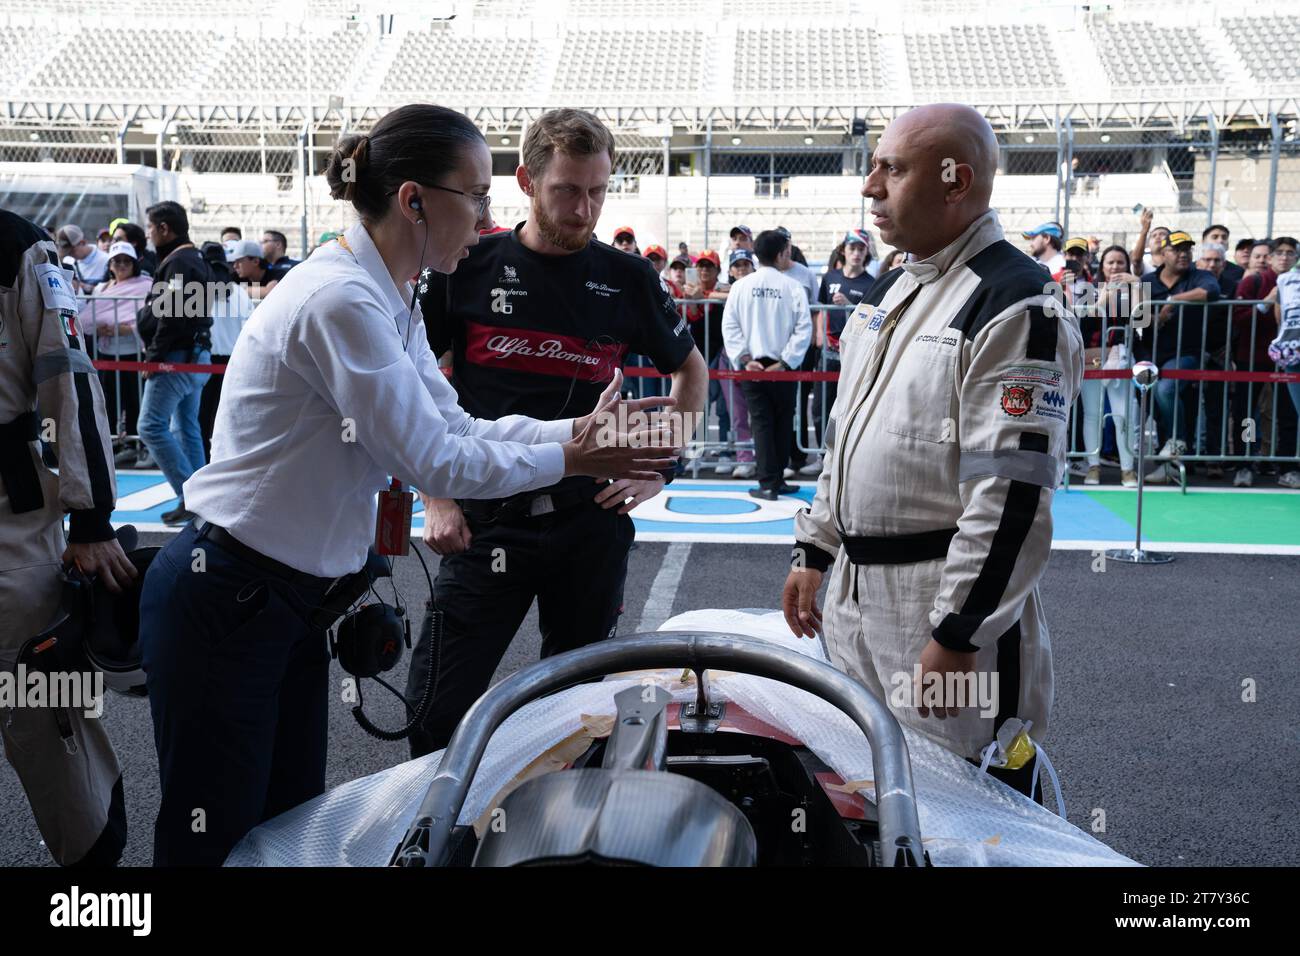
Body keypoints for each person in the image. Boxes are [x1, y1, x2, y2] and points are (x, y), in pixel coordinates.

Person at [137, 104, 679, 867]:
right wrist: (580, 457)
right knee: (215, 843)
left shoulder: (382, 295)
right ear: (413, 200)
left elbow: (458, 426)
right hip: (232, 596)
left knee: (284, 833)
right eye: (479, 195)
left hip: (274, 599)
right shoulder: (343, 300)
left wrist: (581, 438)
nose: (489, 215)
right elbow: (438, 461)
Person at [782, 104, 1082, 797]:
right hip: (857, 599)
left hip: (934, 606)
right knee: (871, 793)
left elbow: (1012, 497)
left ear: (957, 182)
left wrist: (957, 634)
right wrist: (815, 549)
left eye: (893, 168)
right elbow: (846, 432)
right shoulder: (894, 286)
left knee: (964, 808)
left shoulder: (1017, 302)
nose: (870, 186)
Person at [404, 108, 706, 758]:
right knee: (434, 711)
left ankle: (560, 844)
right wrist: (436, 497)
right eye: (568, 190)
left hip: (587, 524)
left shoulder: (627, 277)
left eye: (598, 191)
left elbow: (691, 370)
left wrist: (660, 466)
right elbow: (412, 380)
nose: (584, 209)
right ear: (526, 181)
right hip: (486, 519)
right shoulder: (465, 265)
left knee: (580, 715)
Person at [1, 208, 136, 866]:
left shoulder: (16, 247)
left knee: (43, 695)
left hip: (11, 524)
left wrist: (90, 518)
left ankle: (94, 880)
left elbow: (68, 375)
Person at [133, 200, 214, 525]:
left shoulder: (179, 261)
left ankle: (191, 496)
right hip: (195, 356)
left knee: (150, 426)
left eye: (151, 228)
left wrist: (153, 358)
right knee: (185, 427)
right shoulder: (193, 258)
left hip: (177, 358)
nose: (149, 234)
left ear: (164, 228)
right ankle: (199, 498)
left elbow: (171, 314)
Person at [722, 229, 812, 500]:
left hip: (753, 365)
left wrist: (745, 359)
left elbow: (731, 326)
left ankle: (768, 482)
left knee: (761, 422)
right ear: (782, 253)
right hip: (782, 366)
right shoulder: (792, 286)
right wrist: (785, 362)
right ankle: (777, 478)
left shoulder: (740, 286)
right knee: (784, 421)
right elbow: (803, 328)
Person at [1230, 238, 1299, 487]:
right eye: (1279, 253)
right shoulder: (1255, 281)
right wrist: (1265, 303)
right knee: (1247, 413)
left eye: (1290, 253)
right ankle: (1245, 464)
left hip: (1290, 359)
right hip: (1253, 357)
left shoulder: (1297, 283)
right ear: (1269, 258)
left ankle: (1288, 467)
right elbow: (1237, 316)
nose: (1284, 257)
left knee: (1289, 414)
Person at [811, 228, 877, 471]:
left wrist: (851, 305)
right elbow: (820, 309)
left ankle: (843, 456)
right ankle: (821, 455)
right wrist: (819, 335)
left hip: (854, 353)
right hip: (828, 351)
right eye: (852, 248)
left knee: (850, 406)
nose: (857, 253)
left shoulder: (871, 283)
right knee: (820, 406)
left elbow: (872, 319)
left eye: (861, 249)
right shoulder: (830, 277)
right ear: (843, 250)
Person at [84, 241, 152, 451]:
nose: (121, 265)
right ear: (110, 264)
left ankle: (133, 444)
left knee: (134, 400)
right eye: (117, 261)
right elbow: (89, 318)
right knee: (108, 400)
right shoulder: (100, 288)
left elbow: (146, 317)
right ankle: (112, 442)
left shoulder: (145, 285)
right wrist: (100, 328)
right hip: (106, 352)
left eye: (126, 261)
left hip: (132, 353)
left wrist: (126, 328)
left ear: (134, 264)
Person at [1094, 245, 1142, 486]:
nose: (1115, 267)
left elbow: (1141, 318)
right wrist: (1106, 294)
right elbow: (1091, 316)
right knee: (1092, 414)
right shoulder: (1090, 288)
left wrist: (1137, 285)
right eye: (1110, 262)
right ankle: (1093, 467)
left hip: (1121, 357)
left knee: (1124, 414)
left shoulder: (1135, 288)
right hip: (1092, 357)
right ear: (1102, 266)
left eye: (1120, 263)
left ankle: (1127, 469)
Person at [718, 249, 757, 477]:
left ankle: (763, 458)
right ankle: (745, 459)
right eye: (737, 265)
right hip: (730, 358)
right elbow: (705, 293)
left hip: (758, 360)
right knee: (738, 414)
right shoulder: (726, 290)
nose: (742, 269)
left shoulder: (758, 291)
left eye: (746, 264)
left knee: (760, 414)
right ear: (731, 270)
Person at [56, 224, 110, 292]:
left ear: (83, 242)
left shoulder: (106, 260)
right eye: (66, 252)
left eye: (72, 251)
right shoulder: (67, 260)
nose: (69, 255)